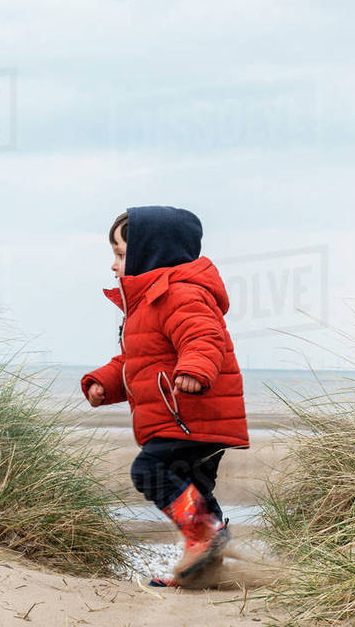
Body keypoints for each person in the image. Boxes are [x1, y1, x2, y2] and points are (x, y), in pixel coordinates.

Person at [82, 206, 248, 586]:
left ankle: (204, 537)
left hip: (188, 416)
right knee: (198, 494)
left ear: (151, 253)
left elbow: (204, 337)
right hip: (188, 416)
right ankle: (204, 573)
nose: (113, 266)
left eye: (121, 255)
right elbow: (135, 362)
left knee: (149, 472)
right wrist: (105, 383)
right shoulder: (147, 304)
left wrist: (194, 370)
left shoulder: (178, 294)